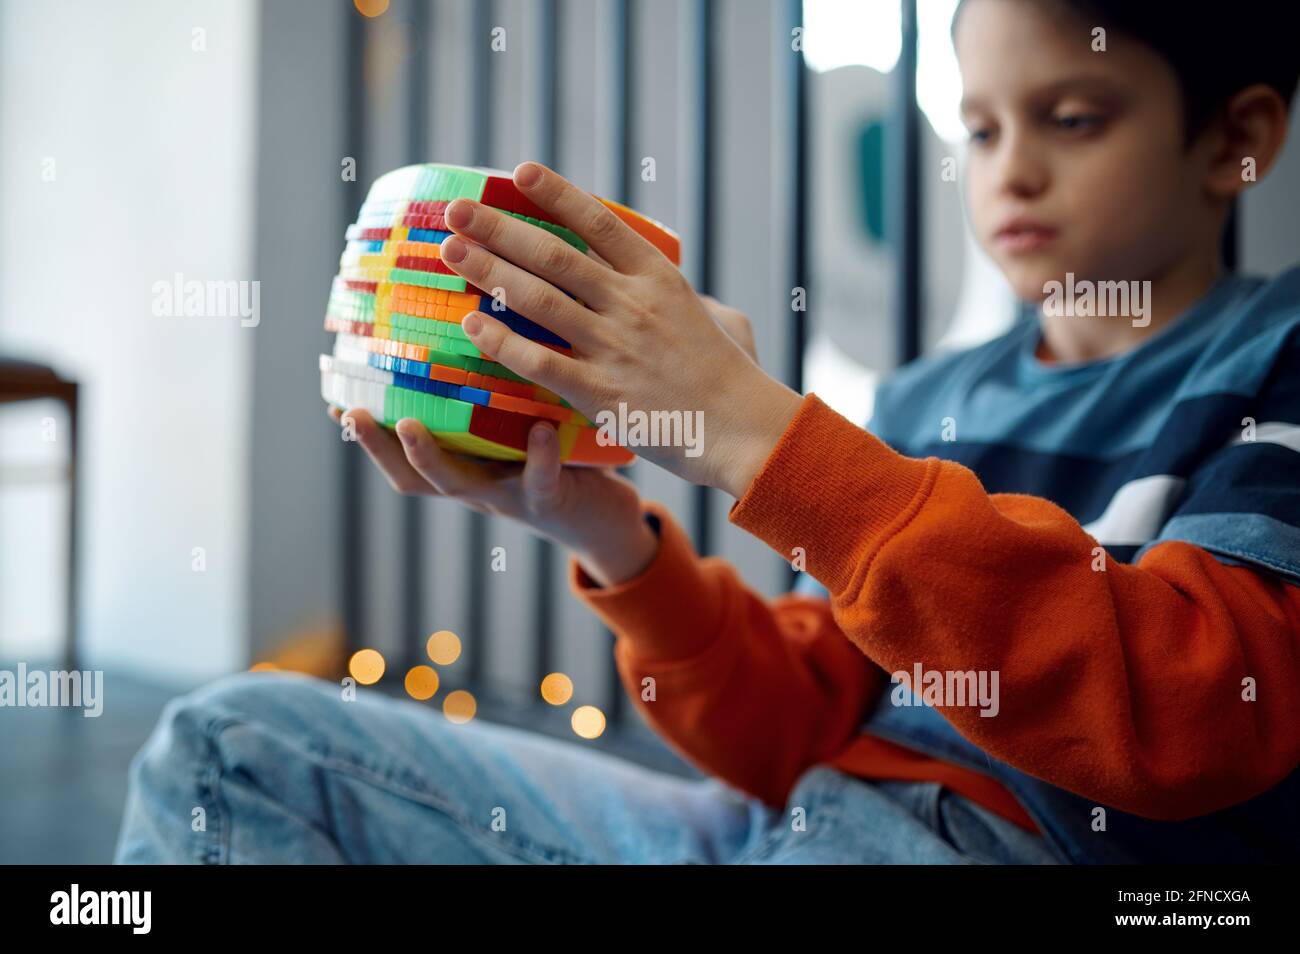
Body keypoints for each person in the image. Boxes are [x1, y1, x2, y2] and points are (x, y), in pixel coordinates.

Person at [116, 0, 1300, 864]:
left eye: (1074, 118)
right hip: (792, 821)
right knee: (230, 744)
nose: (1013, 173)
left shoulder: (1275, 359)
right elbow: (801, 725)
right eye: (981, 131)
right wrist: (602, 531)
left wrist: (760, 431)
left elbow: (1205, 711)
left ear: (1234, 139)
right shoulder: (926, 397)